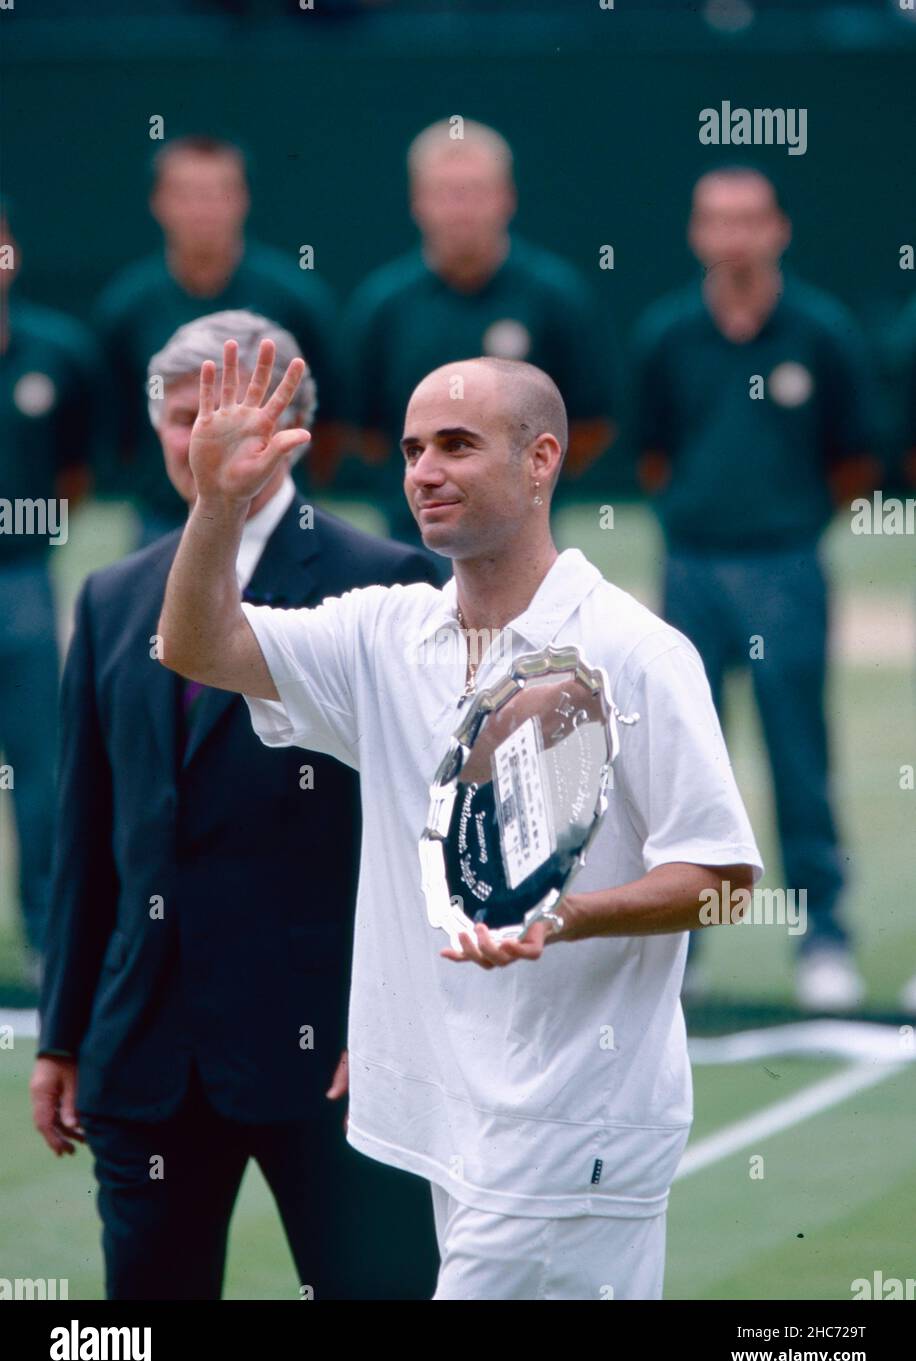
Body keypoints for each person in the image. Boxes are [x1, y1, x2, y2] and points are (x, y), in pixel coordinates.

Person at [158, 341, 762, 1301]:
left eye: (456, 445)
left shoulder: (640, 654)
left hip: (570, 1130)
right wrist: (218, 504)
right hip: (458, 1126)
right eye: (408, 451)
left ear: (541, 460)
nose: (424, 473)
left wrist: (565, 917)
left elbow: (727, 886)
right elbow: (194, 645)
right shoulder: (384, 633)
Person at [31, 311, 441, 1301]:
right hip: (147, 1052)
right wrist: (61, 1033)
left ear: (291, 427)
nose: (200, 438)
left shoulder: (388, 580)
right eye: (181, 416)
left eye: (226, 413)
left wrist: (398, 1022)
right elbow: (90, 835)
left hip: (333, 1055)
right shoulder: (113, 595)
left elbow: (424, 827)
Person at [632, 166, 879, 1012]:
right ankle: (681, 949)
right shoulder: (667, 334)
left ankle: (825, 938)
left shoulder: (821, 331)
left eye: (749, 219)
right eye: (716, 220)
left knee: (798, 758)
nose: (733, 235)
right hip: (692, 565)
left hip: (786, 566)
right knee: (686, 764)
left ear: (778, 229)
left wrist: (787, 520)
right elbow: (652, 453)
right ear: (698, 234)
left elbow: (854, 457)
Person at [343, 118, 615, 544]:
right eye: (447, 193)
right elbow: (364, 433)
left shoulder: (556, 298)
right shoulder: (383, 306)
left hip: (524, 539)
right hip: (411, 538)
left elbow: (590, 424)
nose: (461, 207)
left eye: (475, 192)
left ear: (507, 198)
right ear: (419, 201)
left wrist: (519, 491)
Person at [94, 135, 341, 546]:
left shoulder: (297, 300)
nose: (202, 209)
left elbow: (328, 421)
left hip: (275, 521)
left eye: (216, 193)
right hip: (166, 521)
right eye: (186, 194)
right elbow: (115, 424)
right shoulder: (126, 307)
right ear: (159, 202)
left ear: (242, 199)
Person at [0, 203, 100, 984]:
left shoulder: (58, 354)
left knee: (40, 769)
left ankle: (44, 943)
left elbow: (73, 479)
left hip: (22, 579)